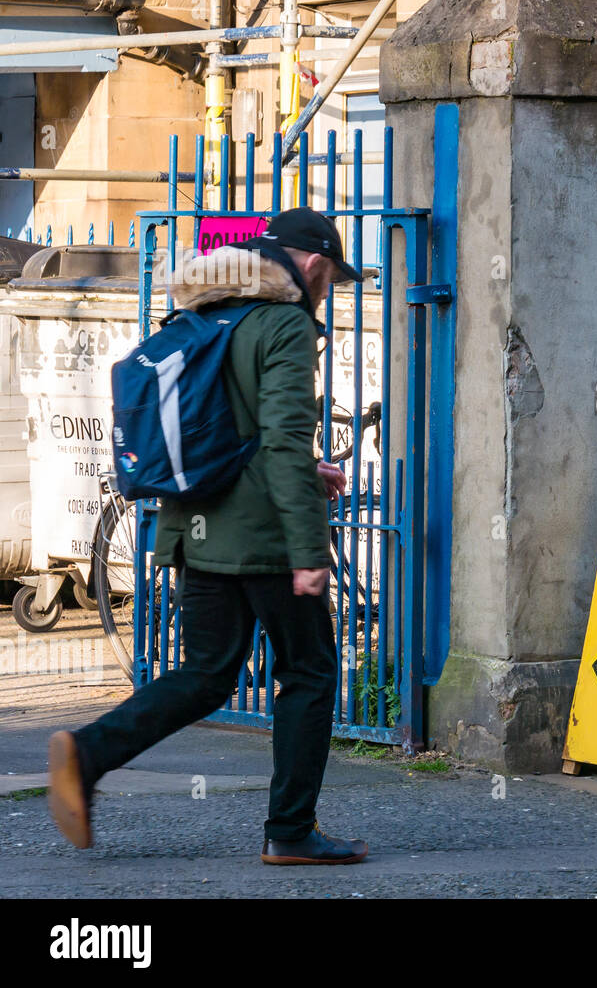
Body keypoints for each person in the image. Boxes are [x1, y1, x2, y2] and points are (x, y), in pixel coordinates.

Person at [47, 208, 368, 866]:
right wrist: (309, 551)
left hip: (194, 527)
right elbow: (281, 440)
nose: (328, 290)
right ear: (313, 265)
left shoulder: (205, 313)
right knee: (309, 671)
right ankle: (290, 830)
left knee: (205, 673)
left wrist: (305, 469)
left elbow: (226, 428)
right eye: (331, 278)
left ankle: (86, 753)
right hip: (266, 539)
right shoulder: (283, 323)